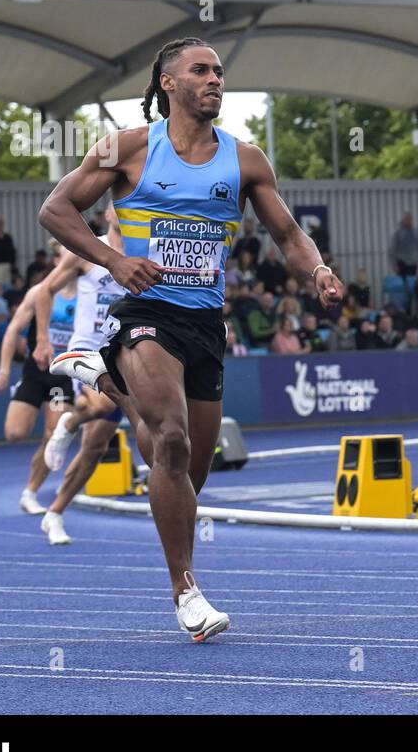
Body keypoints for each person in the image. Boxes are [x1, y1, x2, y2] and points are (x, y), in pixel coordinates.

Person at [40, 36, 343, 642]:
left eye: (219, 71)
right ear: (168, 83)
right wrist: (114, 260)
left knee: (179, 470)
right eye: (200, 70)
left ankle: (100, 377)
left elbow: (286, 234)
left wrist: (317, 269)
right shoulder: (124, 146)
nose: (214, 80)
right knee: (171, 441)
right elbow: (56, 209)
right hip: (144, 311)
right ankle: (187, 593)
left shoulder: (247, 159)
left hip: (205, 324)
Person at [33, 206, 149, 547]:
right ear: (107, 214)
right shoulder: (86, 251)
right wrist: (42, 339)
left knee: (96, 446)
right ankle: (68, 422)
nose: (125, 208)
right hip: (84, 352)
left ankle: (54, 513)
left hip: (124, 351)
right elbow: (44, 291)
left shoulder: (144, 252)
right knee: (99, 404)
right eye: (118, 204)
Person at [0, 250, 78, 515]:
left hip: (63, 376)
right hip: (35, 371)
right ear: (57, 261)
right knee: (15, 434)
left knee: (54, 436)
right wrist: (4, 370)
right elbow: (12, 331)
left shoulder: (89, 292)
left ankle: (30, 492)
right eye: (66, 254)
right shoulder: (38, 293)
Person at [388, 211, 418, 278]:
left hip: (413, 263)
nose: (408, 221)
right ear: (403, 220)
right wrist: (394, 265)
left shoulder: (416, 232)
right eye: (406, 219)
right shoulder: (398, 233)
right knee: (403, 283)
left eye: (410, 219)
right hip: (401, 263)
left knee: (412, 282)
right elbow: (392, 250)